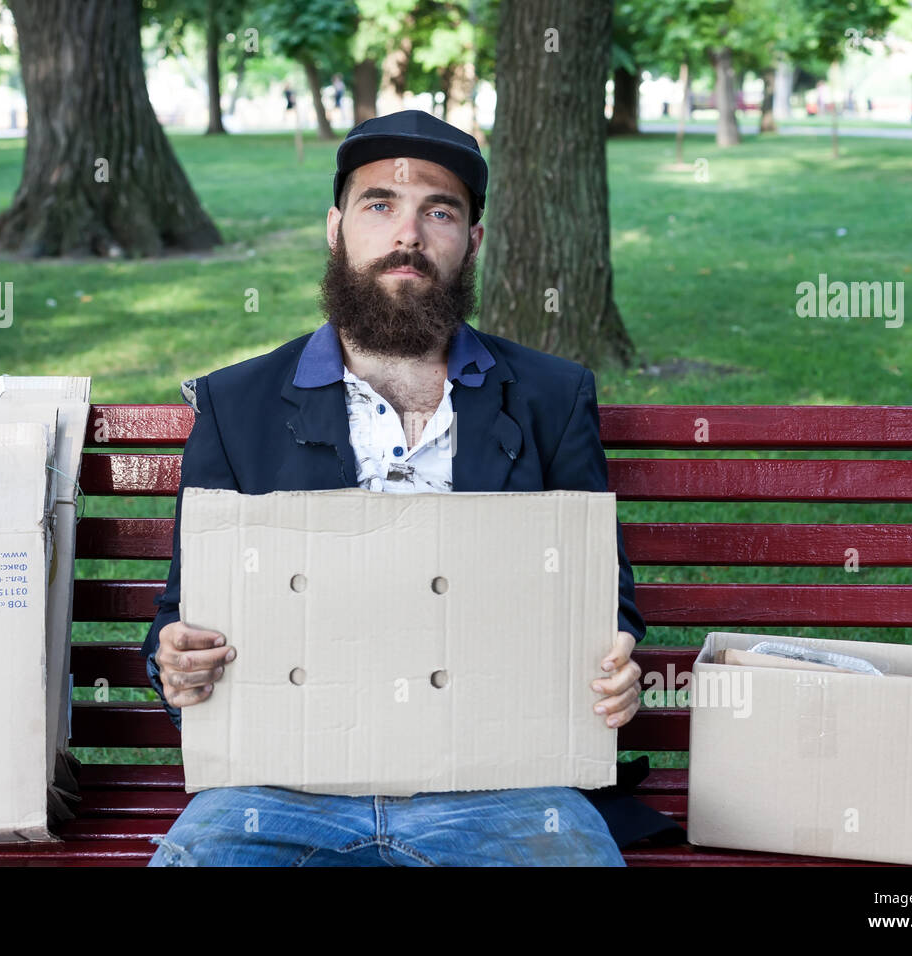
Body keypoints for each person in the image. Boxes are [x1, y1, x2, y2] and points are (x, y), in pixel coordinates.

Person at [143, 109, 681, 867]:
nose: (408, 234)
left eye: (439, 210)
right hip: (279, 791)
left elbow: (605, 601)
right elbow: (178, 619)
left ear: (473, 242)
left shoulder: (550, 398)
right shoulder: (239, 407)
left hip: (504, 784)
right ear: (336, 229)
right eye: (379, 205)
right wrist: (174, 659)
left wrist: (614, 665)